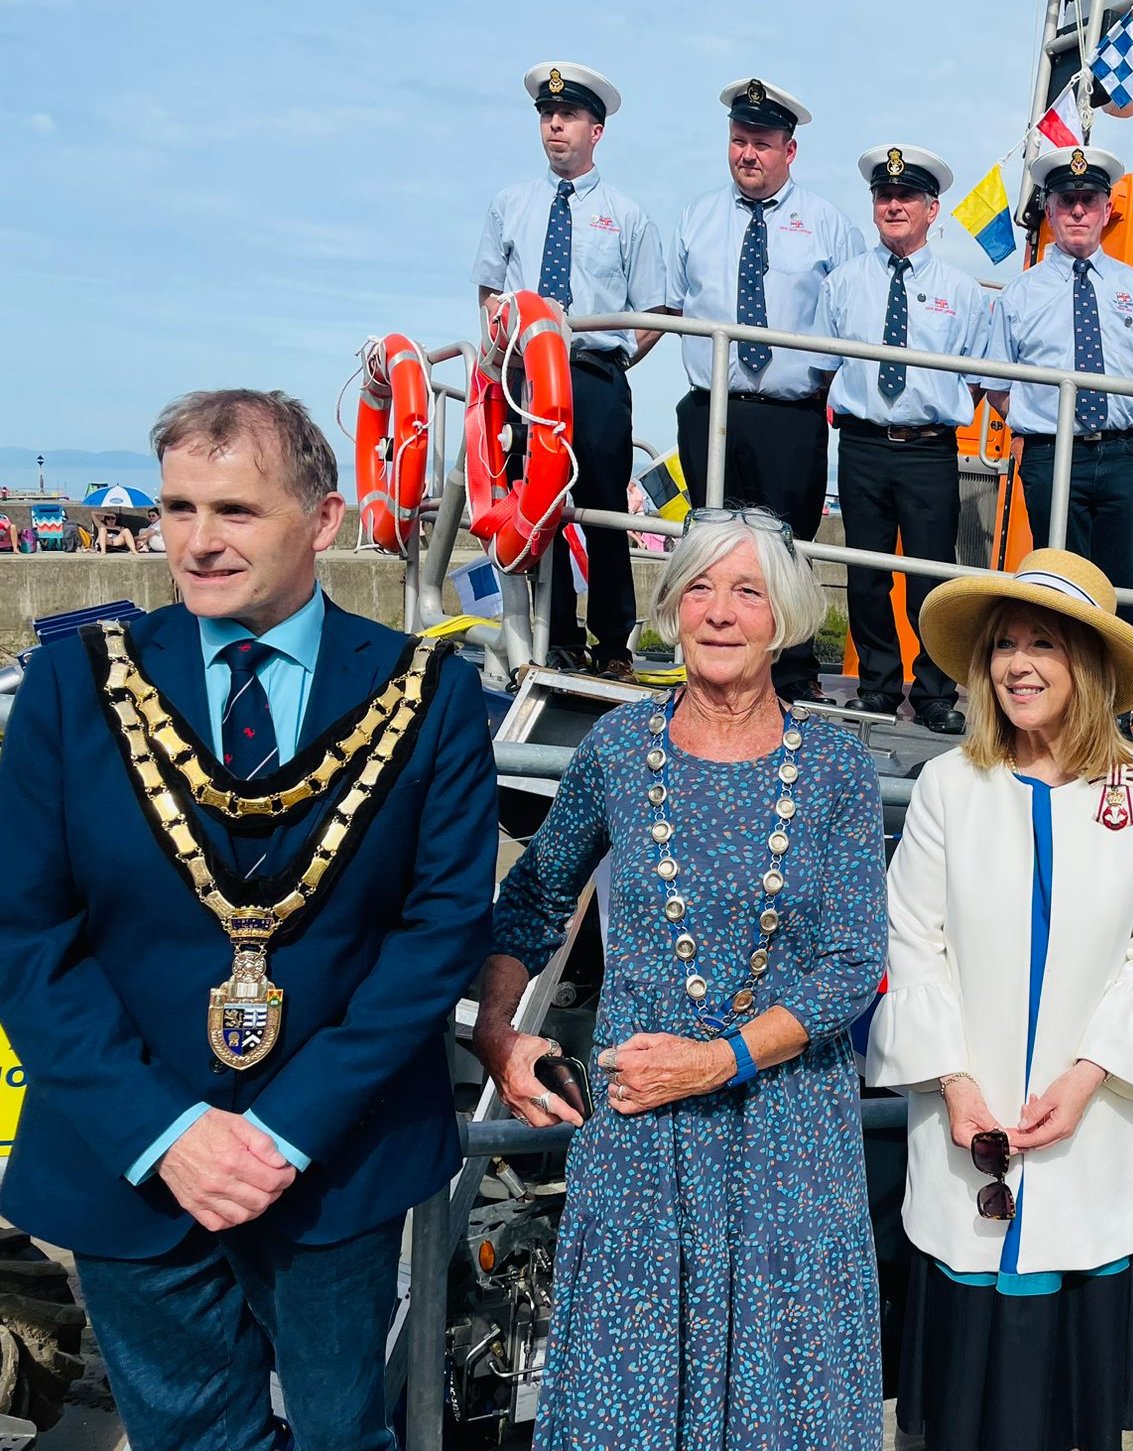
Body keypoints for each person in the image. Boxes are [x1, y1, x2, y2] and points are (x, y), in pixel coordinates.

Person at [0, 389, 496, 1451]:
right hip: (130, 1152)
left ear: (322, 520)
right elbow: (26, 933)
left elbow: (440, 928)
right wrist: (166, 1130)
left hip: (333, 1156)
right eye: (179, 508)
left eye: (234, 510)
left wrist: (280, 1131)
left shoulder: (428, 693)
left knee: (339, 1435)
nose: (197, 540)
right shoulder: (72, 684)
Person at [474, 507, 888, 1449]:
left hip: (787, 1130)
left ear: (783, 618)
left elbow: (853, 961)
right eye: (699, 586)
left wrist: (718, 1061)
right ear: (669, 608)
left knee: (786, 1384)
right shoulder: (618, 748)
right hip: (640, 1127)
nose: (720, 611)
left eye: (747, 591)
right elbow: (532, 903)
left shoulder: (834, 768)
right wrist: (498, 1033)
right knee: (629, 1378)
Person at [867, 548, 1133, 1451]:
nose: (1018, 663)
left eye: (1042, 644)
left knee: (1070, 1402)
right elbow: (912, 940)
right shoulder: (948, 785)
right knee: (965, 1402)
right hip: (966, 1125)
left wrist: (1090, 1076)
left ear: (1085, 663)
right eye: (1006, 644)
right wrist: (956, 1085)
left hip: (1088, 1133)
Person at [667, 77, 861, 703]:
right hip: (711, 407)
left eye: (761, 143)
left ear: (789, 150)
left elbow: (848, 321)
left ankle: (795, 674)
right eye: (738, 141)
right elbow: (672, 307)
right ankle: (707, 663)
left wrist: (814, 394)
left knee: (787, 548)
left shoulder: (828, 226)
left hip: (789, 413)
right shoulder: (696, 217)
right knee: (711, 543)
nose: (747, 154)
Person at [474, 61, 667, 682]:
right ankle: (554, 636)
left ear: (596, 130)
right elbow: (489, 291)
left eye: (569, 117)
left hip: (593, 375)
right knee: (539, 505)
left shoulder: (628, 215)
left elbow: (655, 309)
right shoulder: (511, 205)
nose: (555, 126)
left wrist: (616, 357)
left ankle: (613, 644)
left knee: (605, 508)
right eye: (547, 116)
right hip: (526, 379)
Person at [816, 143, 992, 735]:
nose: (894, 206)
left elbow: (977, 376)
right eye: (884, 196)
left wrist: (935, 417)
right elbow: (821, 367)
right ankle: (877, 685)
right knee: (864, 574)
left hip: (927, 449)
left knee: (930, 575)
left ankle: (936, 691)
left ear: (931, 209)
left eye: (906, 197)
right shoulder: (842, 284)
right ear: (874, 206)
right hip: (863, 444)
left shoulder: (963, 293)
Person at [982, 147, 1133, 595]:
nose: (1077, 210)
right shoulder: (1018, 295)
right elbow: (999, 386)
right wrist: (1036, 431)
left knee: (1123, 591)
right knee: (1060, 590)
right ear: (1049, 209)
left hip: (1122, 456)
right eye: (1066, 200)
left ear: (1106, 209)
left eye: (1089, 200)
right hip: (1050, 455)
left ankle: (1116, 670)